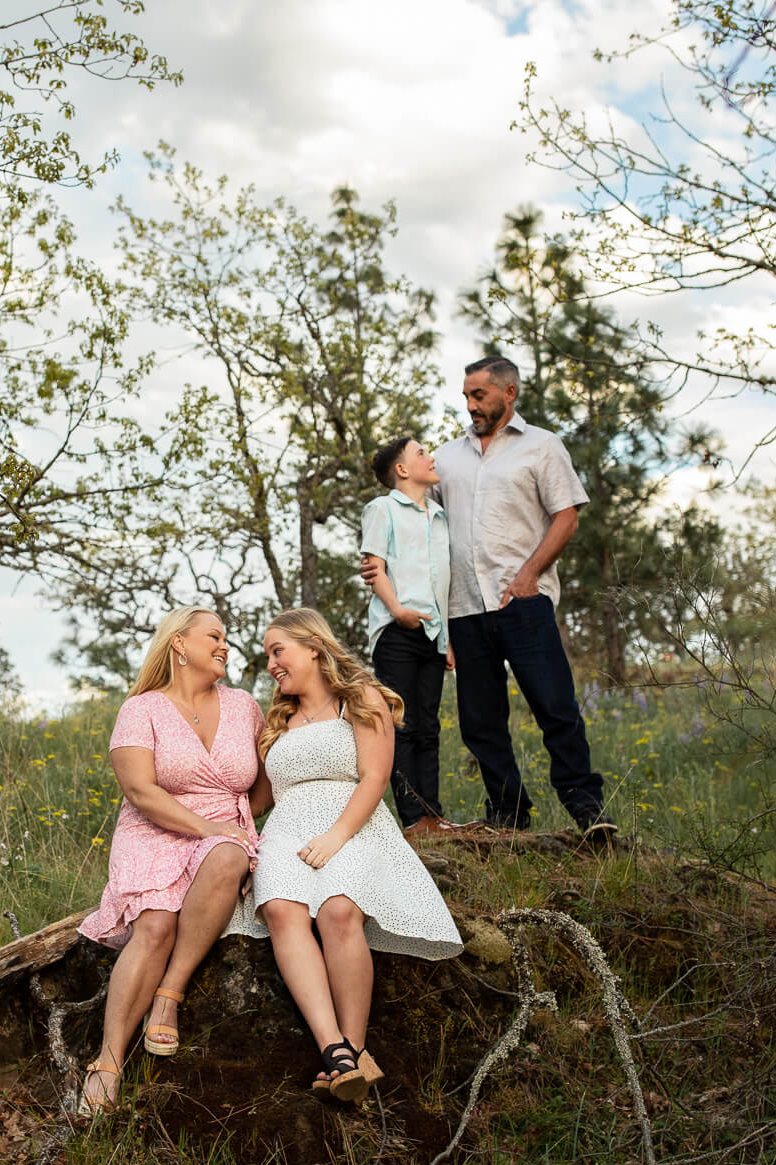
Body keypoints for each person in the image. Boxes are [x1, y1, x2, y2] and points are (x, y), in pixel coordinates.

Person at [365, 356, 615, 837]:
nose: (470, 405)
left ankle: (587, 809)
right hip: (462, 611)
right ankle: (508, 813)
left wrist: (529, 575)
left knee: (555, 706)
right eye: (466, 396)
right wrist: (379, 563)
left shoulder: (543, 447)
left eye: (479, 395)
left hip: (523, 602)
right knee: (481, 722)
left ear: (509, 393)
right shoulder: (446, 458)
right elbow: (417, 525)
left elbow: (567, 517)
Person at [233, 608, 462, 1103]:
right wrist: (233, 844)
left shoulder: (362, 699)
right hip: (288, 828)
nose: (271, 663)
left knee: (339, 909)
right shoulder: (278, 721)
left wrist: (337, 836)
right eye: (268, 654)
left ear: (313, 647)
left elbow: (376, 778)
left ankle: (357, 1050)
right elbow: (260, 799)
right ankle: (333, 1050)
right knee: (280, 911)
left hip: (353, 820)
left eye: (279, 650)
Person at [77, 607, 269, 1112]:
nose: (225, 645)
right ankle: (109, 1061)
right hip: (155, 829)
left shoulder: (246, 706)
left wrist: (236, 824)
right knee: (156, 925)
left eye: (227, 637)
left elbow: (266, 782)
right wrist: (206, 825)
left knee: (230, 856)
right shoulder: (141, 709)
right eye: (215, 636)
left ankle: (170, 994)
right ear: (179, 644)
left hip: (223, 832)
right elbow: (140, 790)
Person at [359, 436, 476, 840]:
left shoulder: (439, 516)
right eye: (422, 453)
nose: (432, 457)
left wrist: (446, 639)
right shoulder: (383, 508)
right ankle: (413, 819)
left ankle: (434, 817)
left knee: (429, 725)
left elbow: (440, 579)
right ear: (402, 470)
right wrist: (398, 611)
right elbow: (375, 565)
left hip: (433, 634)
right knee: (403, 724)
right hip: (397, 630)